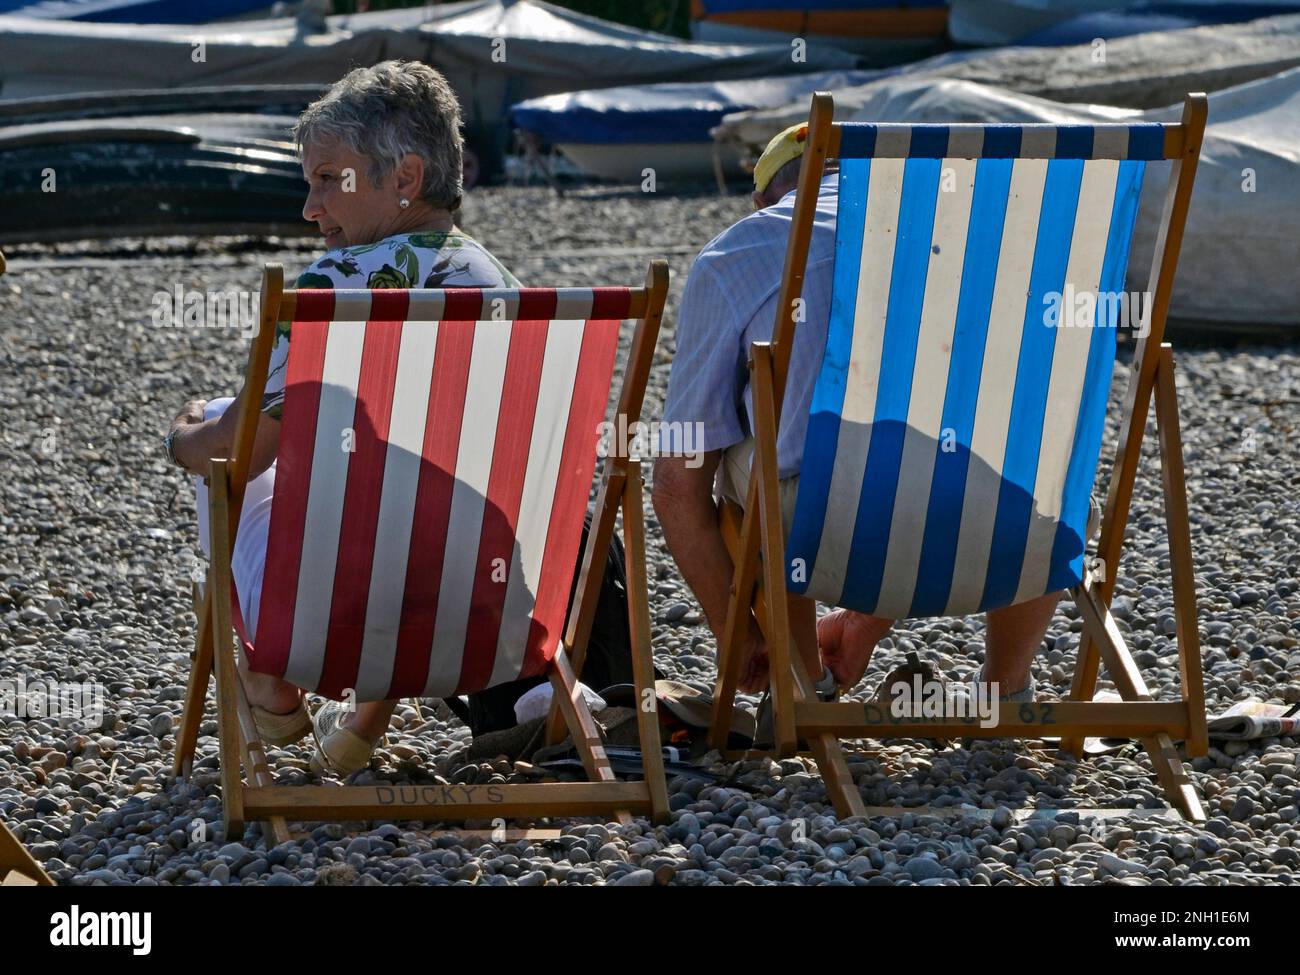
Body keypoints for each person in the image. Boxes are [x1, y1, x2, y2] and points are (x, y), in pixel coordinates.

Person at [164, 61, 576, 776]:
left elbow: (240, 454)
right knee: (405, 470)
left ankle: (273, 683)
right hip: (492, 619)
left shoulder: (337, 291)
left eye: (329, 179)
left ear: (405, 178)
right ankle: (361, 724)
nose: (309, 207)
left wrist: (183, 436)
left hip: (328, 621)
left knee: (228, 452)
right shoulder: (508, 290)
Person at [652, 122, 1071, 709]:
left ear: (765, 199)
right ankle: (1006, 688)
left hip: (825, 524)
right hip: (1025, 523)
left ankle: (800, 684)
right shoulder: (988, 237)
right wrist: (867, 621)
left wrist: (738, 635)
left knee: (745, 458)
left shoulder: (741, 251)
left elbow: (676, 485)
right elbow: (929, 458)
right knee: (997, 460)